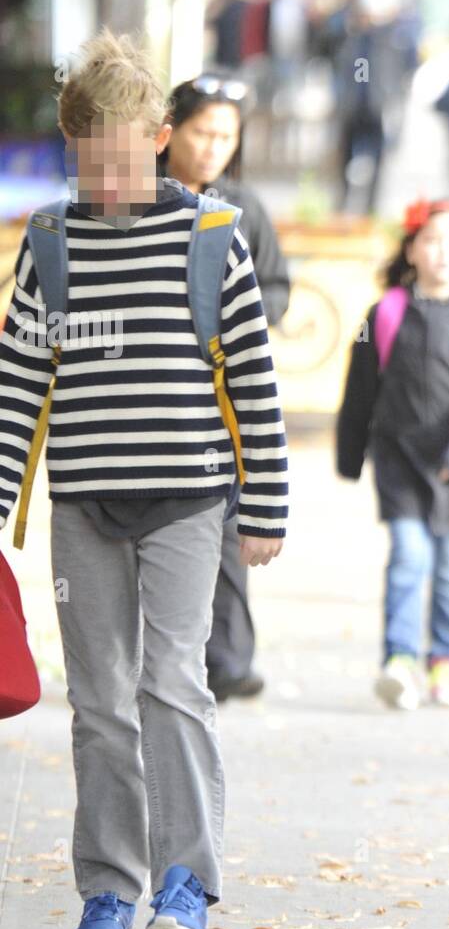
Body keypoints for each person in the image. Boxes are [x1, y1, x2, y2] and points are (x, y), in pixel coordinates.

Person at [0, 28, 289, 929]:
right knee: (98, 702)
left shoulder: (211, 236)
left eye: (126, 152)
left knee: (173, 684)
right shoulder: (49, 243)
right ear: (71, 145)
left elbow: (251, 376)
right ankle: (106, 887)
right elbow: (16, 383)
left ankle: (185, 883)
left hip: (188, 501)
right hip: (83, 505)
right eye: (91, 155)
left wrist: (265, 506)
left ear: (160, 137)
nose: (110, 171)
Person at [336, 199, 449, 710]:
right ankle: (399, 661)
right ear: (411, 249)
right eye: (431, 240)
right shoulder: (385, 313)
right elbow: (359, 390)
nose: (442, 252)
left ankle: (445, 662)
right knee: (410, 556)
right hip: (400, 460)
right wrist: (350, 456)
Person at [158, 73, 291, 702]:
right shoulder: (137, 200)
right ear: (168, 133)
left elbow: (278, 286)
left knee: (232, 525)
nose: (212, 147)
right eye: (201, 132)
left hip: (226, 400)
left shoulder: (244, 208)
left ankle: (230, 659)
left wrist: (244, 325)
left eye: (225, 136)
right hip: (156, 398)